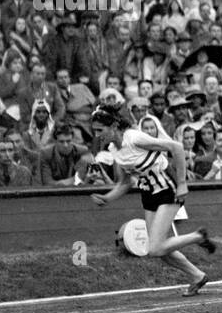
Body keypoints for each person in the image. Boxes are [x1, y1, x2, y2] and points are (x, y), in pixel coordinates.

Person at [89, 101, 215, 296]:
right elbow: (125, 183)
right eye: (95, 131)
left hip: (167, 186)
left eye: (100, 130)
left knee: (155, 248)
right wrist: (107, 198)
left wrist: (182, 183)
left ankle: (198, 236)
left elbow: (177, 147)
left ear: (113, 126)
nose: (97, 135)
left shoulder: (134, 138)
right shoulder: (114, 150)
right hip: (148, 193)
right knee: (159, 249)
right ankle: (198, 276)